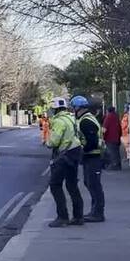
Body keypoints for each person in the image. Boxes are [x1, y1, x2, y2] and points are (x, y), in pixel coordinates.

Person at [45, 96, 84, 227]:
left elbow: (54, 141)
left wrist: (48, 142)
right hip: (75, 152)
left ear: (55, 109)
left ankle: (62, 217)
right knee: (72, 185)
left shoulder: (59, 121)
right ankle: (78, 217)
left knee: (55, 185)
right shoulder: (71, 118)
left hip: (64, 154)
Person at [75, 96, 105, 222]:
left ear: (79, 108)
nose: (73, 110)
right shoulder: (85, 118)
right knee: (89, 183)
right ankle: (94, 211)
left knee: (94, 185)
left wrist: (82, 151)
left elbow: (92, 142)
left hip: (93, 156)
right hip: (91, 157)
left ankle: (98, 213)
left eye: (74, 108)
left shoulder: (86, 121)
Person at [102, 105, 122, 170]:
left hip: (110, 138)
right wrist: (119, 135)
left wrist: (103, 136)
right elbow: (119, 127)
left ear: (107, 111)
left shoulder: (108, 117)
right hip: (116, 137)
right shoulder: (116, 117)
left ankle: (114, 165)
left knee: (111, 152)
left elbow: (105, 128)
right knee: (116, 152)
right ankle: (118, 165)